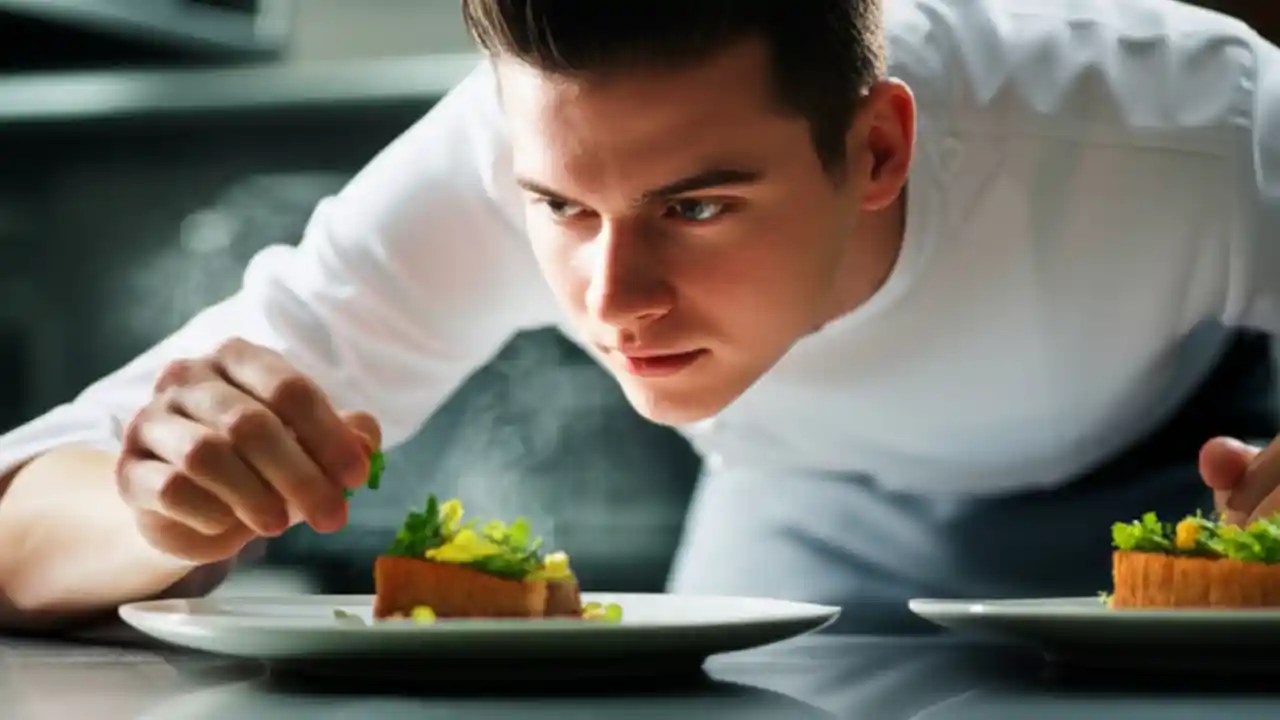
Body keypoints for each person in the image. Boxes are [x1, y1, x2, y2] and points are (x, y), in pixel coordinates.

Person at [1, 0, 1278, 629]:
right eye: (560, 209)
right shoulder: (482, 163)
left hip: (1180, 492)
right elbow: (15, 521)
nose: (612, 302)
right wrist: (148, 501)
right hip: (805, 515)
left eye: (700, 208)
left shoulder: (1193, 126)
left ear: (878, 149)